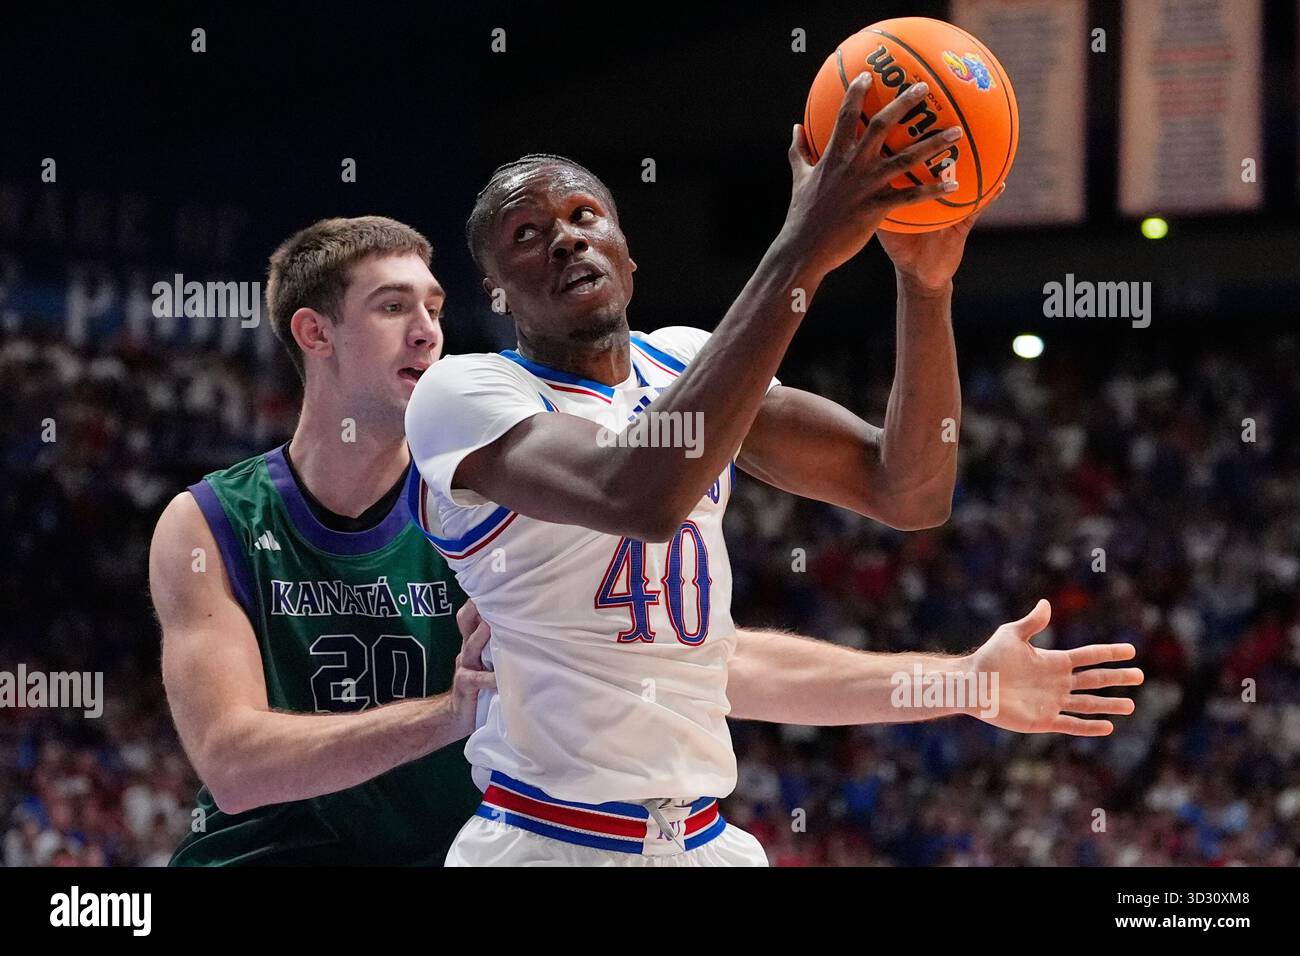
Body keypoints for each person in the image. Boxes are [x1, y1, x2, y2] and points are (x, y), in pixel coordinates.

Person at [405, 75, 1142, 867]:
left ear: (627, 250)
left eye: (586, 217)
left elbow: (909, 489)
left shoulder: (686, 361)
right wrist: (803, 243)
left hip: (706, 841)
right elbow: (639, 494)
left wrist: (924, 288)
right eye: (527, 233)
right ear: (495, 288)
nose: (565, 238)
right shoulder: (465, 393)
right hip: (546, 844)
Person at [151, 216, 494, 865]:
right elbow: (235, 766)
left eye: (434, 308)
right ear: (315, 332)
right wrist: (452, 713)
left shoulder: (485, 507)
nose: (428, 331)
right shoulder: (209, 521)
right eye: (393, 306)